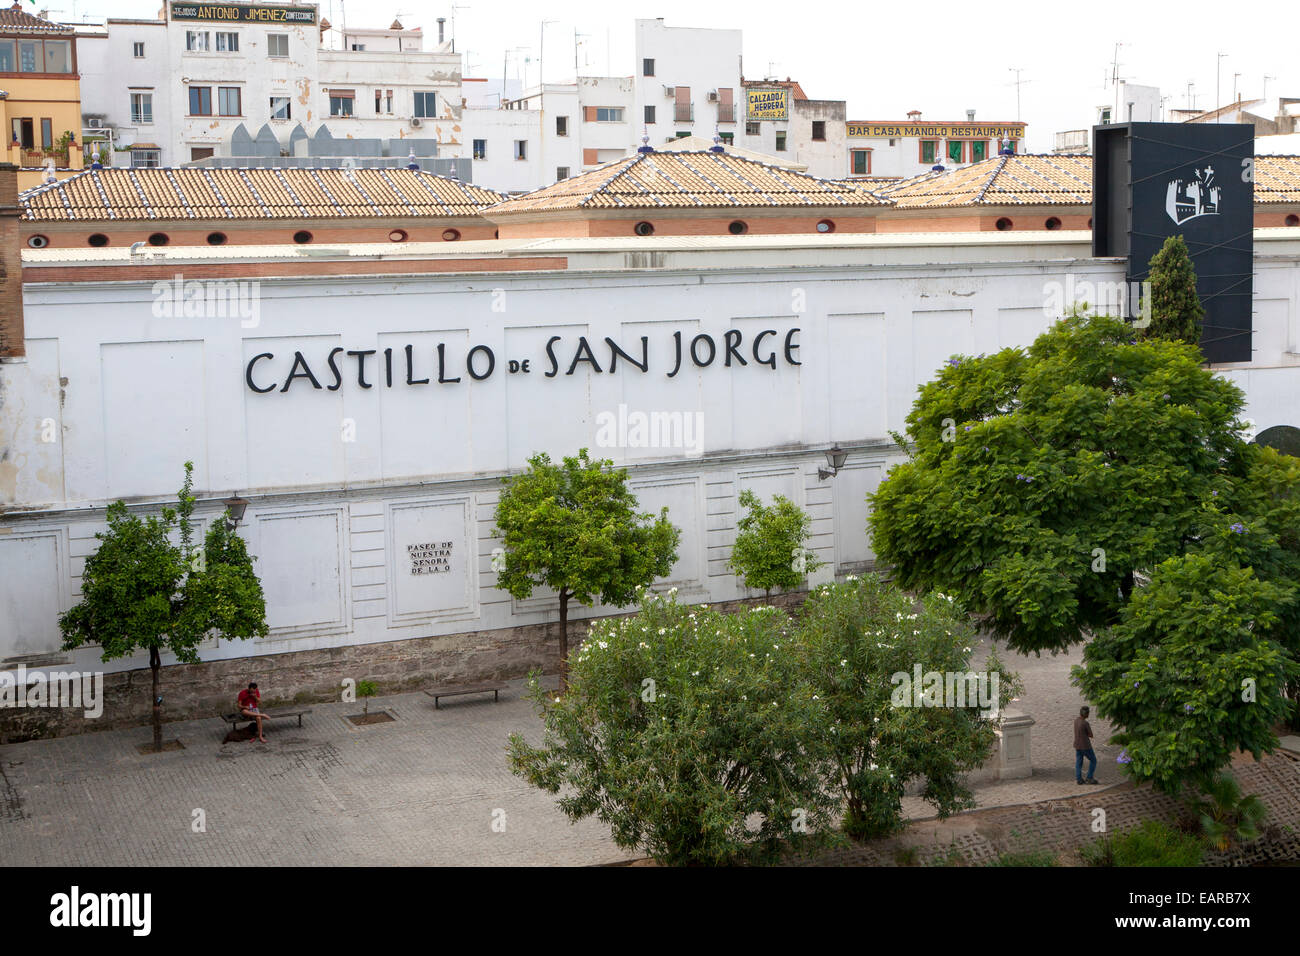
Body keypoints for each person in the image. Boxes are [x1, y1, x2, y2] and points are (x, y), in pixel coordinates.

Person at [1074, 705, 1099, 784]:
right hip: (1085, 746)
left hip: (1077, 745)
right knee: (1093, 760)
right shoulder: (1085, 723)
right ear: (1086, 714)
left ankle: (1079, 779)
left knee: (1079, 762)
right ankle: (1089, 777)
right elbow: (1091, 735)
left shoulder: (1076, 721)